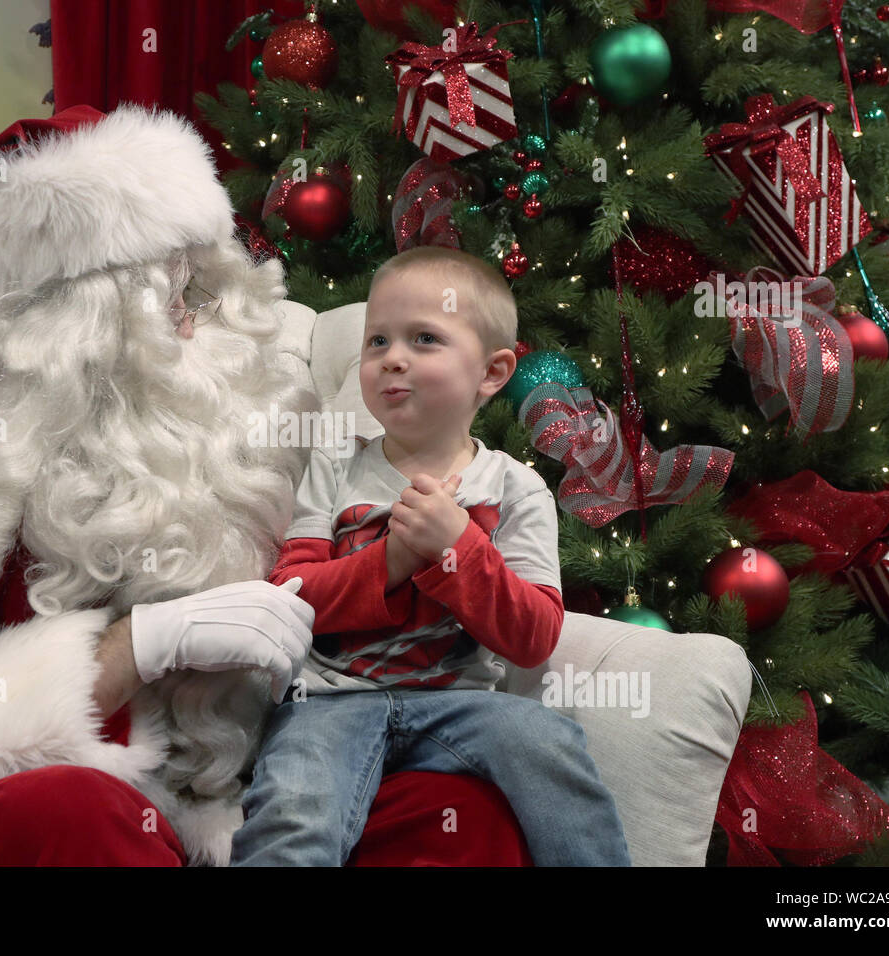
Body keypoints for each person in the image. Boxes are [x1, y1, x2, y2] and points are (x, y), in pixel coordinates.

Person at [0, 103, 536, 867]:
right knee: (57, 815)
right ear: (57, 319)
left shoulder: (261, 419)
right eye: (169, 299)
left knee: (454, 810)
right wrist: (140, 647)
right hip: (96, 817)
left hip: (279, 797)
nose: (193, 328)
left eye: (199, 294)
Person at [230, 246, 633, 866]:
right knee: (294, 807)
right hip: (330, 702)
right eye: (377, 341)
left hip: (462, 704)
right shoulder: (335, 466)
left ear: (492, 372)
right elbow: (292, 596)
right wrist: (389, 562)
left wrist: (459, 549)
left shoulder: (516, 488)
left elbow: (534, 637)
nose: (393, 358)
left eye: (424, 338)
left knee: (549, 742)